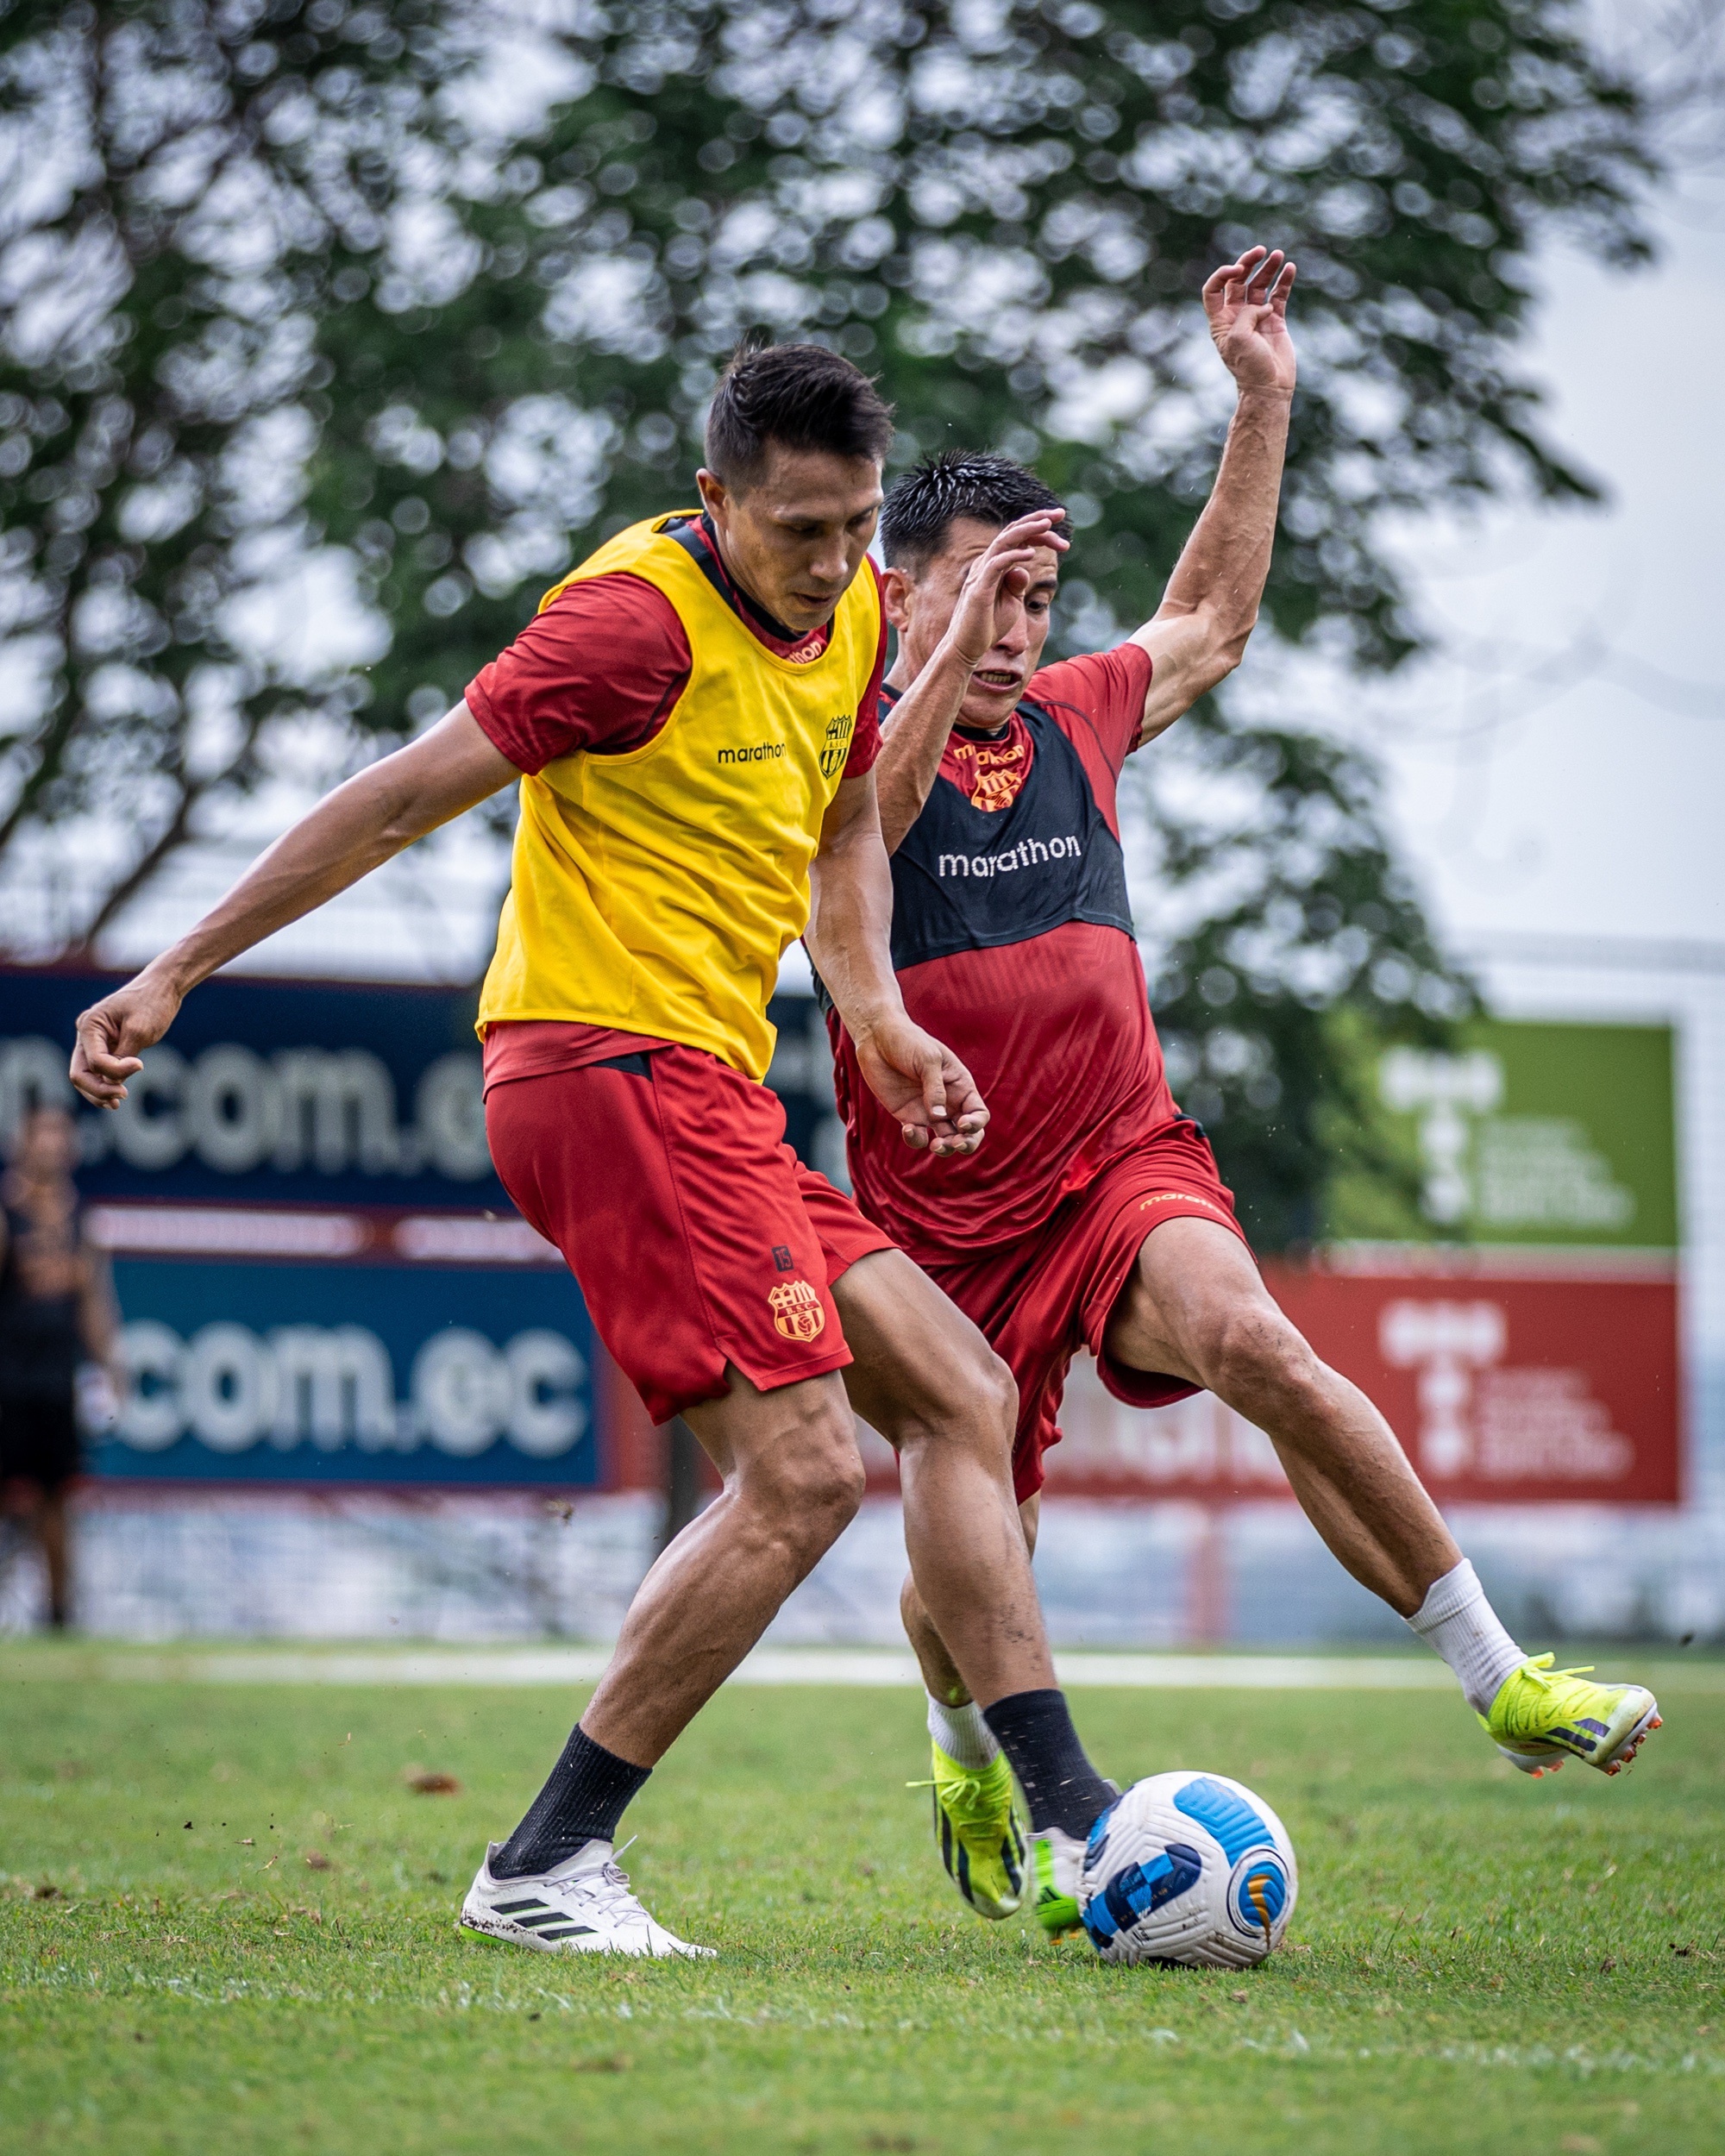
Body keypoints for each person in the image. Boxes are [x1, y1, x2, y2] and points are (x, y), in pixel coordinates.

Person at [69, 343, 1120, 1959]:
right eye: (796, 531)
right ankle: (545, 1863)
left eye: (852, 527)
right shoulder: (629, 625)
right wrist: (176, 969)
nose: (834, 564)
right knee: (806, 1475)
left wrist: (884, 1024)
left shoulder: (846, 613)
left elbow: (844, 835)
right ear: (716, 501)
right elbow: (401, 798)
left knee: (962, 1391)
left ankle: (1065, 1815)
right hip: (598, 1068)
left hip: (714, 1081)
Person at [819, 248, 1662, 1935]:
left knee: (1260, 1339)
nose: (1019, 628)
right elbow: (873, 822)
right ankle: (960, 1741)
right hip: (937, 1230)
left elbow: (1207, 614)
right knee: (958, 1580)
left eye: (1037, 599)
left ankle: (1502, 1679)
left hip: (1120, 1164)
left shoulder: (1071, 716)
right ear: (893, 595)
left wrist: (1260, 398)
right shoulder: (836, 750)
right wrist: (941, 642)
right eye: (983, 592)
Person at [0, 1104, 119, 1631]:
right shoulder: (7, 1216)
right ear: (22, 1146)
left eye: (59, 1136)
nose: (50, 1146)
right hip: (7, 1382)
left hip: (55, 1385)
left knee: (56, 1501)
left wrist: (109, 1364)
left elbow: (94, 1302)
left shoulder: (79, 1221)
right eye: (40, 1135)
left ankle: (59, 1615)